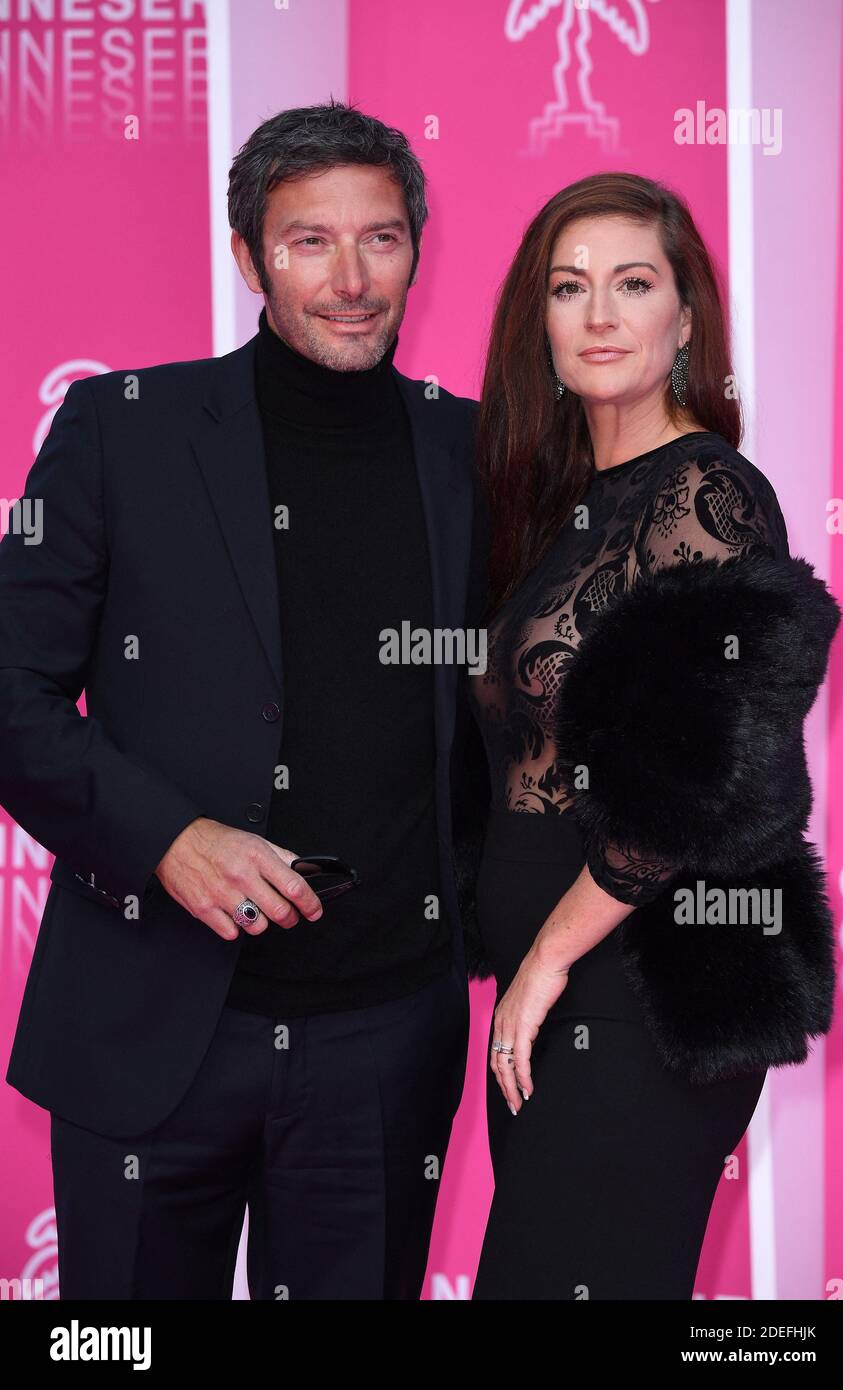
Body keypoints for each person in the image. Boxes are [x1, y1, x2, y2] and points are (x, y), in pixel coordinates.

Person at [1, 100, 487, 1301]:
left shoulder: (478, 453)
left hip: (386, 1038)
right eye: (308, 240)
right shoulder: (124, 432)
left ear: (416, 247)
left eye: (379, 238)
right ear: (247, 256)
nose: (350, 278)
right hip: (147, 1021)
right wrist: (163, 837)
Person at [459, 171, 841, 1300]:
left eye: (632, 283)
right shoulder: (557, 502)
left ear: (684, 319)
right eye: (567, 288)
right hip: (552, 977)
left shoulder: (707, 497)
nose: (597, 314)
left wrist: (544, 961)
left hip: (641, 979)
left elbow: (689, 786)